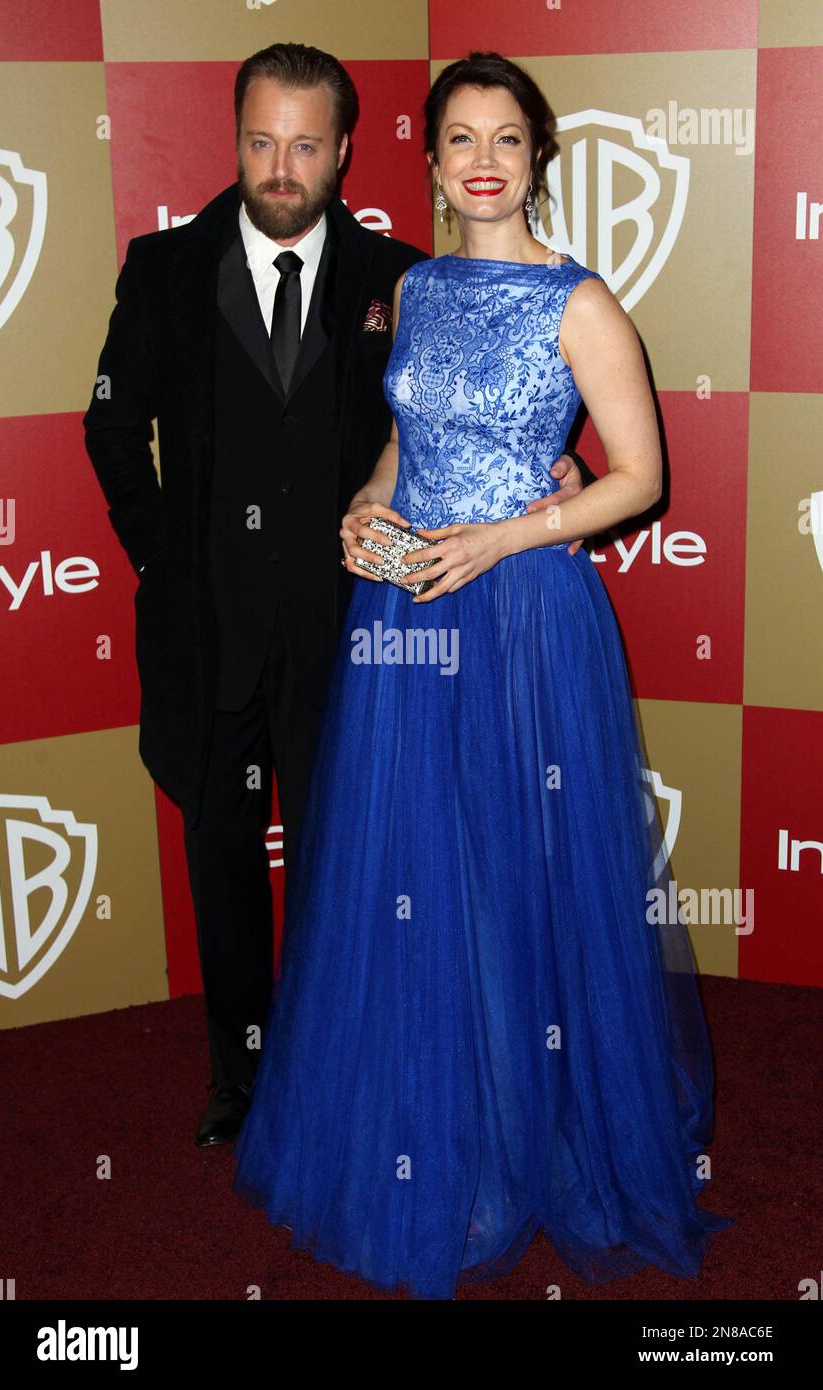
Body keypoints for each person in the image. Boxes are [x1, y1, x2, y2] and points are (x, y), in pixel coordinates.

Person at [232, 51, 734, 1299]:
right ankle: (433, 1143)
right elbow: (409, 438)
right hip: (406, 615)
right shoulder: (415, 289)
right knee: (416, 877)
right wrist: (364, 506)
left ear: (536, 158)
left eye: (506, 138)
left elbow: (637, 479)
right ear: (430, 160)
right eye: (459, 138)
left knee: (515, 878)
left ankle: (523, 1148)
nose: (482, 160)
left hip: (519, 621)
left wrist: (500, 536)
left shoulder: (579, 302)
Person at [83, 43, 590, 1148]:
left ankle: (334, 1067)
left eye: (304, 143)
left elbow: (452, 426)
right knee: (220, 853)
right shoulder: (162, 268)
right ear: (235, 138)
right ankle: (240, 1076)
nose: (280, 165)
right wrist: (169, 563)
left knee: (347, 861)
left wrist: (556, 469)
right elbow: (111, 428)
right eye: (260, 140)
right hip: (206, 634)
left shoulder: (398, 280)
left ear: (345, 149)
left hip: (359, 631)